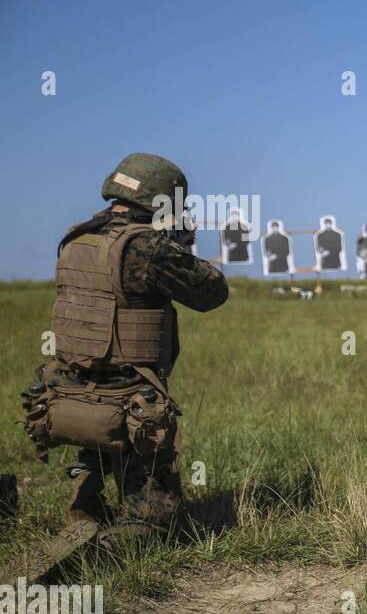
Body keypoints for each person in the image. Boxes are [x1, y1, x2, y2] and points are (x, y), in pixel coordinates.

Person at [19, 153, 228, 577]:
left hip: (70, 399)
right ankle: (108, 556)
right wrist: (180, 246)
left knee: (94, 464)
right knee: (155, 522)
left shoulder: (78, 238)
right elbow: (211, 292)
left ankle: (86, 503)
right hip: (130, 407)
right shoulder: (147, 249)